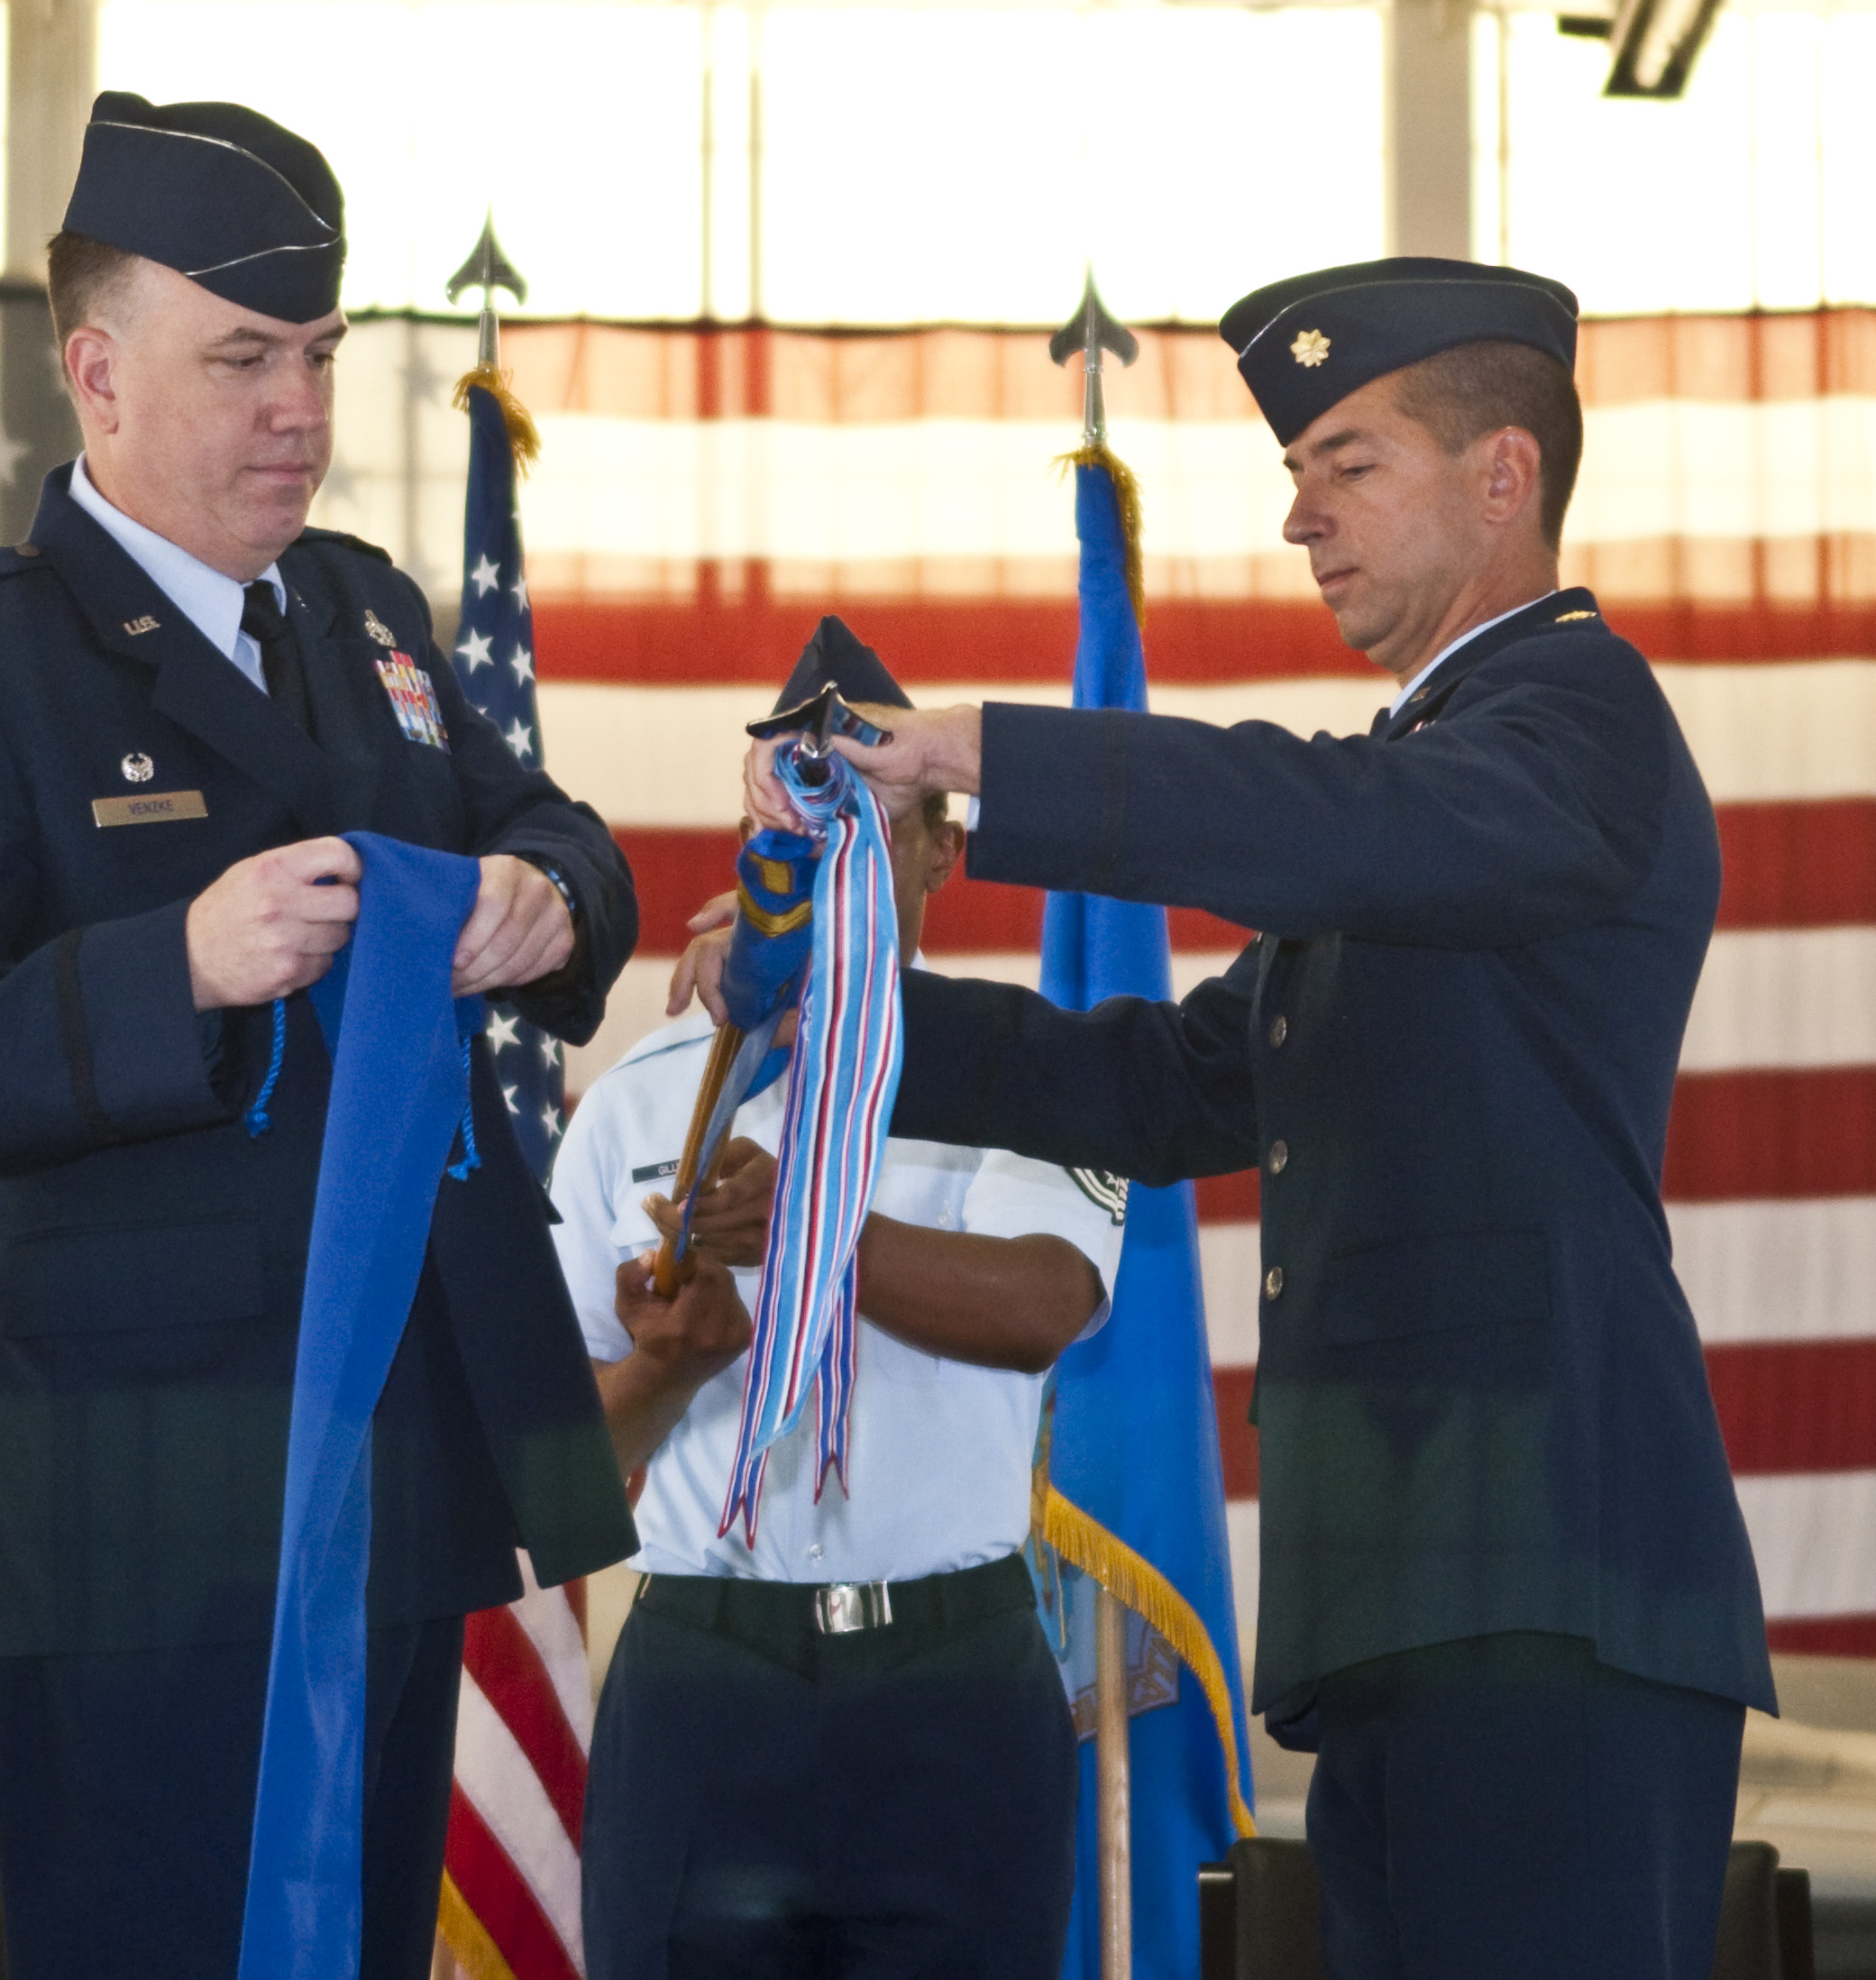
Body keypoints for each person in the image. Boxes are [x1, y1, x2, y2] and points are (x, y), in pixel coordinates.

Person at [726, 260, 1773, 1980]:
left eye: (1345, 463)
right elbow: (1169, 1082)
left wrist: (972, 752)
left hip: (1544, 1583)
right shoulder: (1430, 775)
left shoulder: (1569, 722)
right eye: (1297, 475)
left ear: (1502, 476)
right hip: (1420, 1590)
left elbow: (1327, 819)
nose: (1299, 517)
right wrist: (842, 1008)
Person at [0, 93, 638, 1980]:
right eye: (245, 359)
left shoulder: (366, 616)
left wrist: (544, 899)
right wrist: (171, 964)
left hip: (399, 1438)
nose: (302, 410)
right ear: (96, 375)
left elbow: (550, 826)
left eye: (324, 357)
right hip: (147, 1482)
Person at [560, 625, 1121, 1979]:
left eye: (874, 809)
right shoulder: (647, 1095)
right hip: (707, 1675)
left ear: (943, 846)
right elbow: (553, 1459)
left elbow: (1044, 1303)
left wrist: (809, 1230)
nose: (835, 841)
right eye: (801, 806)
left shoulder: (1022, 1071)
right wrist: (668, 1371)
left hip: (953, 1681)